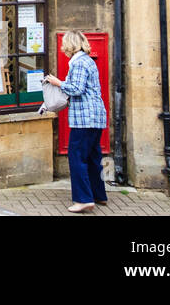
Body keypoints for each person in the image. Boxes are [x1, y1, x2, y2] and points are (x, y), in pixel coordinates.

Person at [45, 31, 108, 212]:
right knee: (93, 157)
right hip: (95, 117)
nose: (62, 47)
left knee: (77, 157)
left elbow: (77, 89)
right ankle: (98, 195)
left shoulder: (79, 63)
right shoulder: (87, 61)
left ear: (71, 44)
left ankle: (83, 199)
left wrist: (58, 83)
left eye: (65, 44)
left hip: (84, 119)